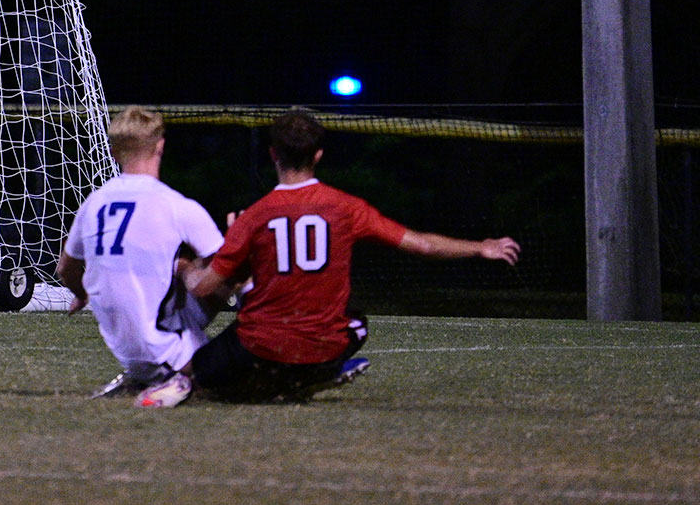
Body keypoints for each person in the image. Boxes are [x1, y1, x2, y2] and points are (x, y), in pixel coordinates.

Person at [134, 107, 520, 408]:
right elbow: (420, 243)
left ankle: (223, 383)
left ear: (273, 155)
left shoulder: (255, 216)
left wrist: (184, 267)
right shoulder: (346, 207)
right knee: (357, 325)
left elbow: (204, 287)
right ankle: (313, 376)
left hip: (259, 348)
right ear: (318, 155)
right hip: (322, 347)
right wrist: (479, 247)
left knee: (195, 374)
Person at [55, 106, 227, 406]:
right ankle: (183, 380)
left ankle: (143, 375)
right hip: (163, 349)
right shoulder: (175, 205)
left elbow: (65, 270)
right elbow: (230, 265)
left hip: (125, 349)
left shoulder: (94, 203)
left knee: (181, 269)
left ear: (112, 151)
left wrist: (81, 294)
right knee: (247, 374)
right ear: (160, 146)